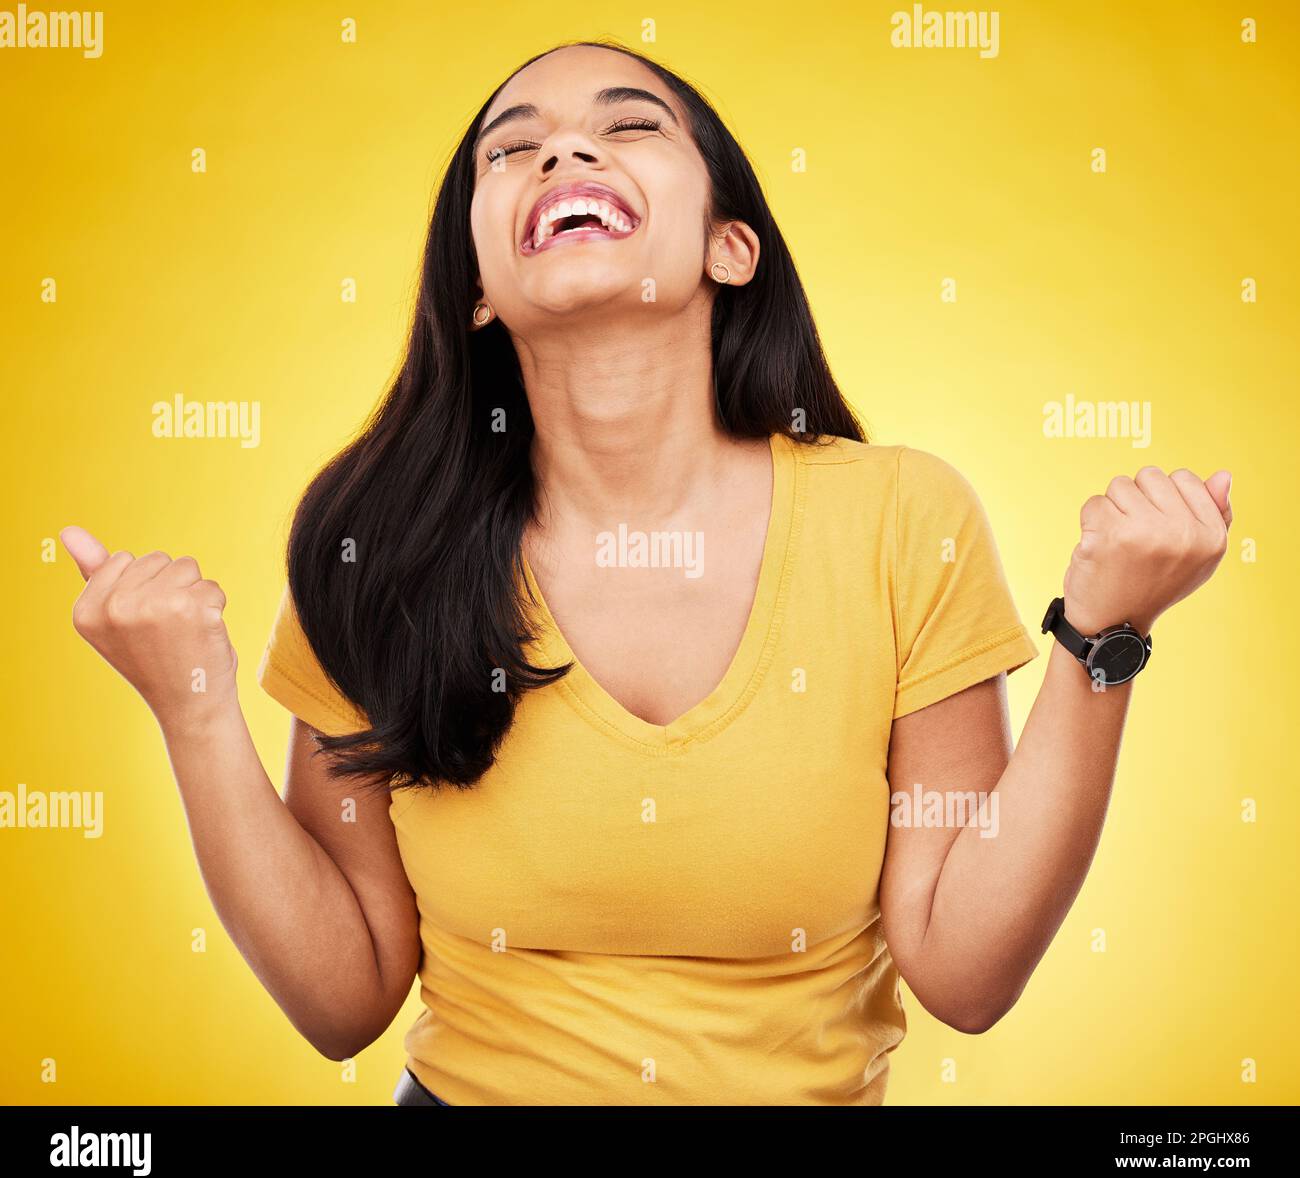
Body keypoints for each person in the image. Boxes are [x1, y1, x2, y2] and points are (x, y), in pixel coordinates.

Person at [59, 40, 1233, 1106]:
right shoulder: (379, 544)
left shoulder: (896, 516)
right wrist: (194, 704)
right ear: (475, 286)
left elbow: (964, 971)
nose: (561, 147)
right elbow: (345, 996)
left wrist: (1103, 634)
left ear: (732, 247)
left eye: (629, 127)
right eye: (508, 149)